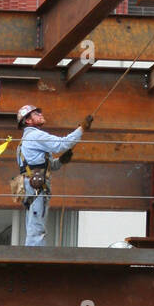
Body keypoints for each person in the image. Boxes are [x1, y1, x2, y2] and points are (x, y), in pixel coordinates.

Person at [16, 105, 92, 247]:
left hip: (32, 186)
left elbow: (50, 166)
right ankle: (34, 260)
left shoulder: (26, 140)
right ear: (28, 120)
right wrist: (81, 129)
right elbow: (61, 145)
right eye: (35, 113)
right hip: (36, 187)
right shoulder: (34, 136)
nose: (40, 114)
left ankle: (32, 256)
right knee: (36, 228)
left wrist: (61, 161)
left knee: (34, 224)